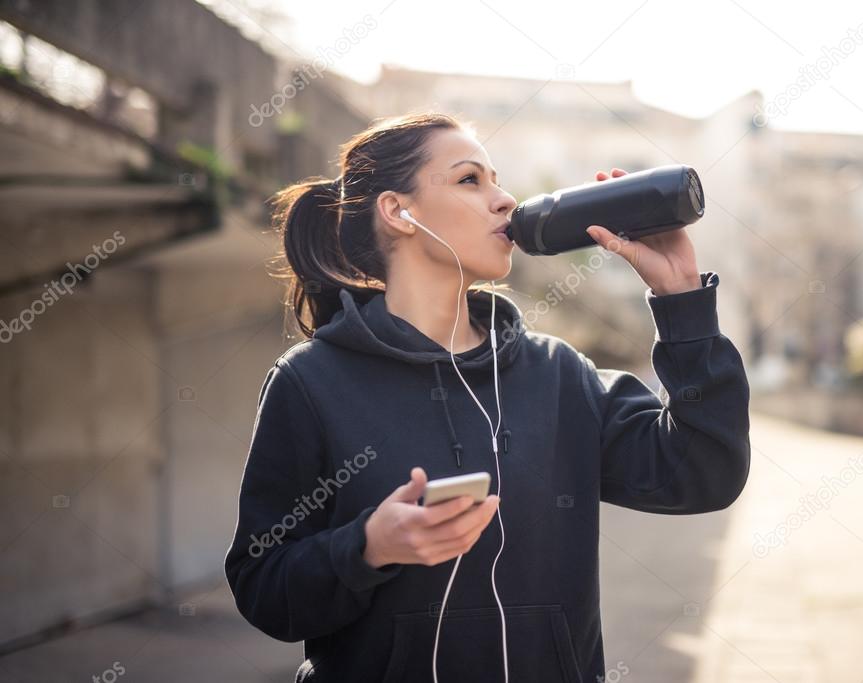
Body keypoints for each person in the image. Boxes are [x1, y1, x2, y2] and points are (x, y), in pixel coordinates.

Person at [224, 112, 751, 682]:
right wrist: (368, 546)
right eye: (470, 180)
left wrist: (682, 301)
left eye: (497, 179)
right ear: (399, 212)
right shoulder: (311, 383)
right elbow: (265, 588)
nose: (504, 200)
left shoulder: (560, 375)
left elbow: (706, 471)